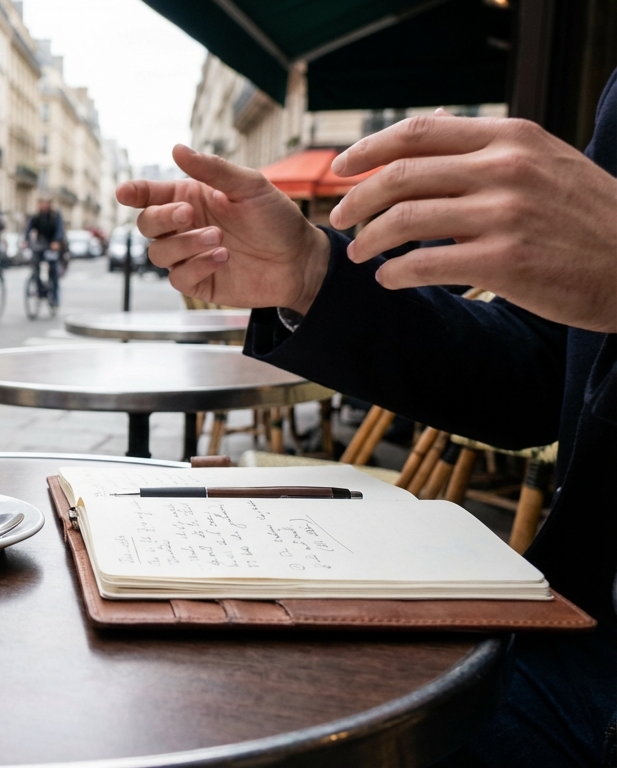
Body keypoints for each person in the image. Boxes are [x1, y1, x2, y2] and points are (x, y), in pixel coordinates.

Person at [119, 71, 617, 766]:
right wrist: (307, 274)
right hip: (572, 650)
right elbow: (538, 375)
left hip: (571, 668)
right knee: (195, 709)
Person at [25, 196, 66, 306]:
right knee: (35, 267)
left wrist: (56, 241)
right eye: (41, 203)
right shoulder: (36, 217)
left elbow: (59, 230)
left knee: (52, 270)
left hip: (52, 245)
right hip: (40, 245)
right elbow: (28, 229)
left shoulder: (55, 216)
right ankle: (40, 290)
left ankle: (55, 296)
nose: (43, 205)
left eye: (45, 203)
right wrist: (25, 241)